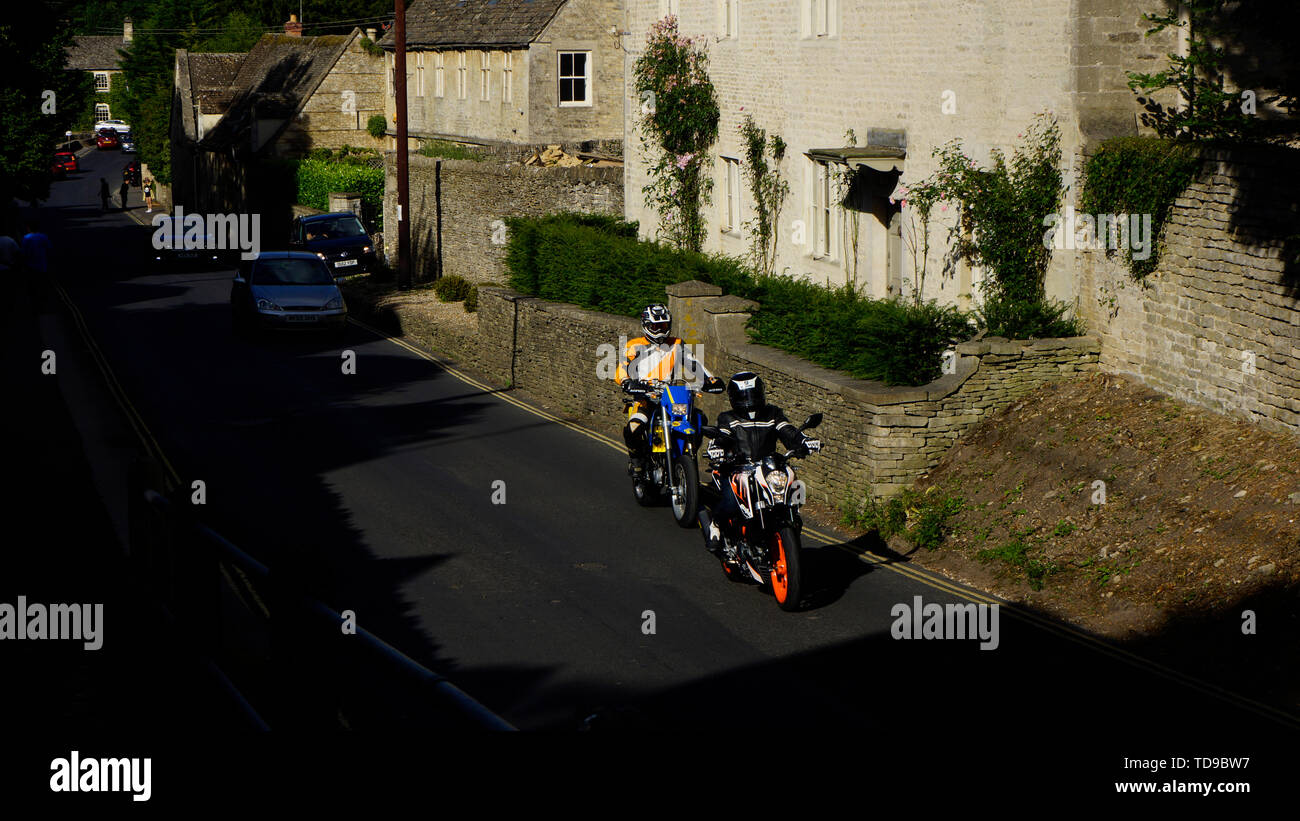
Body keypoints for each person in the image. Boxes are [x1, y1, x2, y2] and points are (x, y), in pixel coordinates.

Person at [697, 372, 821, 556]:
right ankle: (716, 524)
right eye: (743, 395)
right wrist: (716, 448)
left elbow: (789, 431)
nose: (749, 400)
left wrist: (804, 441)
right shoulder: (727, 418)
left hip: (767, 468)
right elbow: (721, 436)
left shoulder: (772, 413)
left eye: (753, 394)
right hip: (736, 469)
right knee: (731, 504)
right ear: (733, 397)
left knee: (794, 492)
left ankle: (788, 526)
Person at [616, 303, 724, 477]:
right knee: (634, 428)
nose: (659, 331)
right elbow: (623, 368)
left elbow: (694, 364)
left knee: (698, 418)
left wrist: (709, 380)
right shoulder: (634, 346)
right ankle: (637, 460)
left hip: (671, 398)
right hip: (644, 399)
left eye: (663, 326)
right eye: (655, 326)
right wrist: (627, 381)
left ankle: (686, 455)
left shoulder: (677, 344)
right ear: (646, 325)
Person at [21, 221, 52, 312]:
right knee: (42, 285)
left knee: (32, 286)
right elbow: (49, 249)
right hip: (42, 265)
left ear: (28, 228)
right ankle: (43, 304)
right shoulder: (43, 237)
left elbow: (24, 252)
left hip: (30, 265)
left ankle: (34, 305)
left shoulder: (26, 238)